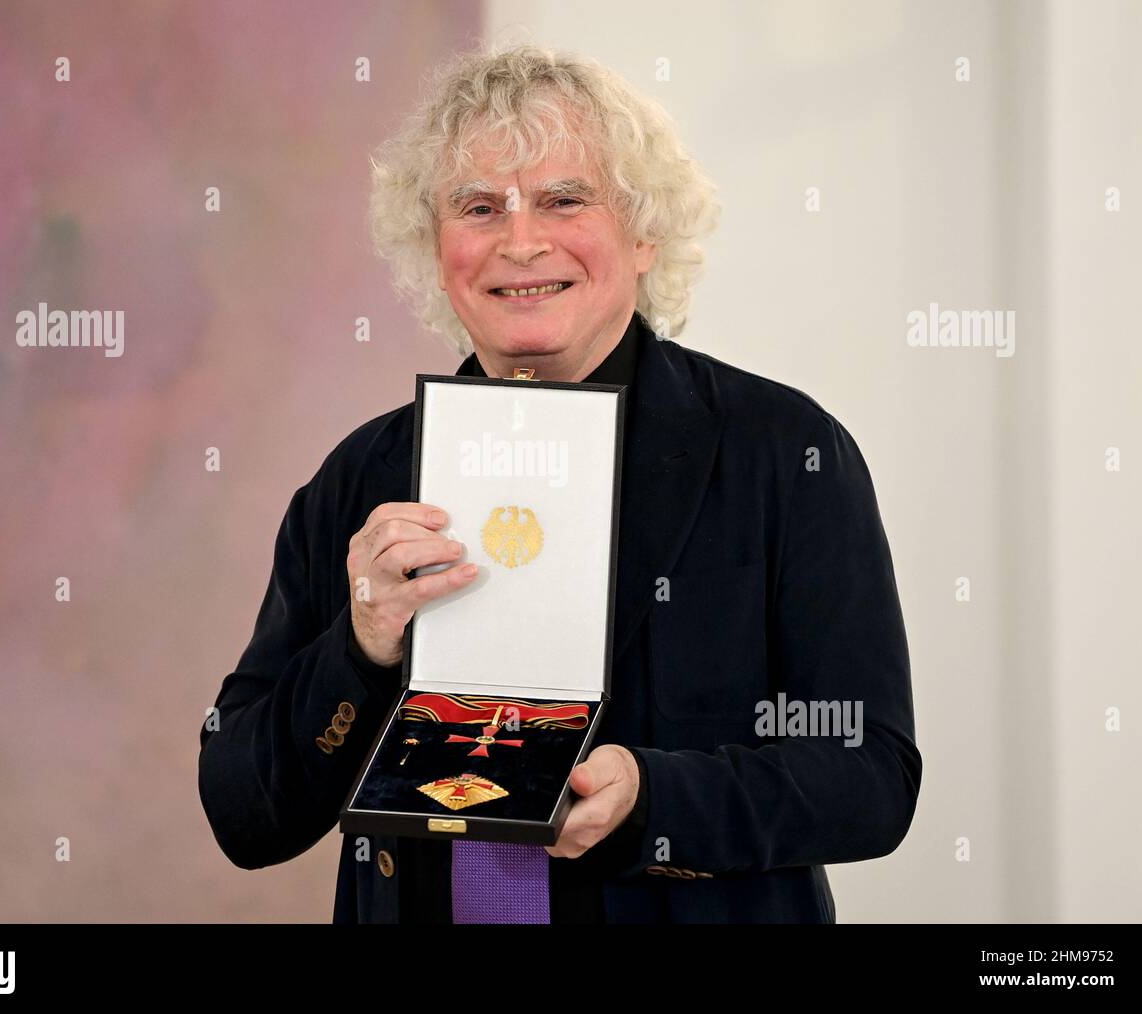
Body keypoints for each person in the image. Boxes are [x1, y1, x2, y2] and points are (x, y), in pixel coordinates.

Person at [198, 43, 921, 923]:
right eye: (478, 207)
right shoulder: (363, 478)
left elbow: (870, 776)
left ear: (645, 232)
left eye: (564, 199)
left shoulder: (786, 453)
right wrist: (361, 643)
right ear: (436, 249)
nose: (520, 240)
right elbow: (244, 814)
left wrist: (655, 798)